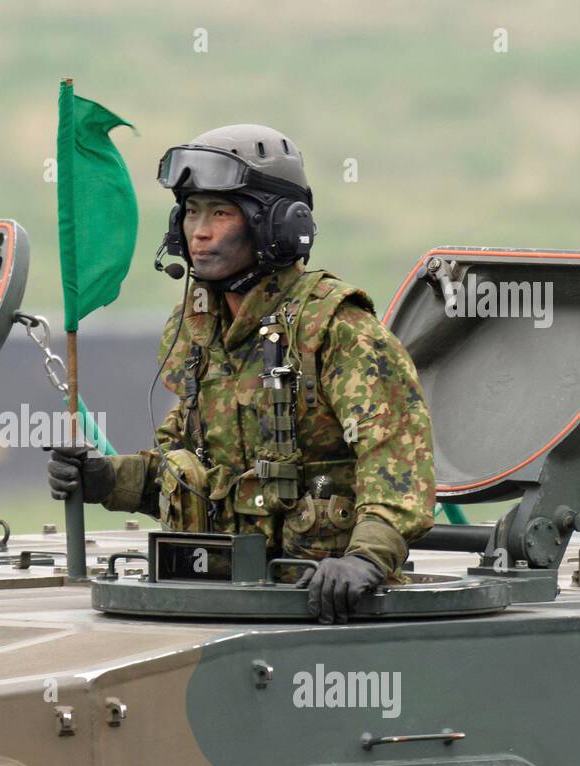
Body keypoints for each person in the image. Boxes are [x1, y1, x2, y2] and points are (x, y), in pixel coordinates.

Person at [48, 125, 435, 623]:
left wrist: (365, 559)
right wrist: (107, 478)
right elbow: (187, 470)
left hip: (321, 606)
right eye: (190, 212)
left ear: (273, 224)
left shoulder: (336, 330)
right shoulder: (197, 329)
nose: (199, 232)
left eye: (221, 213)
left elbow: (399, 463)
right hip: (223, 596)